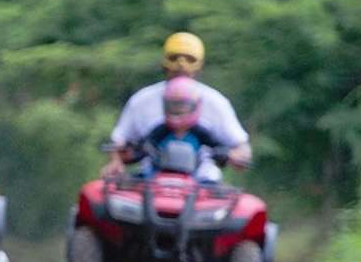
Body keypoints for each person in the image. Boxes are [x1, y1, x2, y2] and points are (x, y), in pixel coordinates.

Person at [102, 31, 251, 178]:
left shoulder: (216, 102)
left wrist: (232, 156)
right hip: (150, 181)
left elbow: (241, 146)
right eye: (174, 58)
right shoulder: (142, 100)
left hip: (203, 185)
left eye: (189, 60)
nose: (181, 65)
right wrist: (117, 160)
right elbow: (119, 140)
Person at [129, 76, 232, 181]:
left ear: (195, 106)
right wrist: (140, 148)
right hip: (157, 175)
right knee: (137, 179)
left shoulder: (199, 132)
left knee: (211, 181)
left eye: (182, 106)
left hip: (195, 178)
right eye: (173, 106)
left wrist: (222, 153)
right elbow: (147, 141)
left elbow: (217, 146)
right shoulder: (162, 130)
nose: (178, 110)